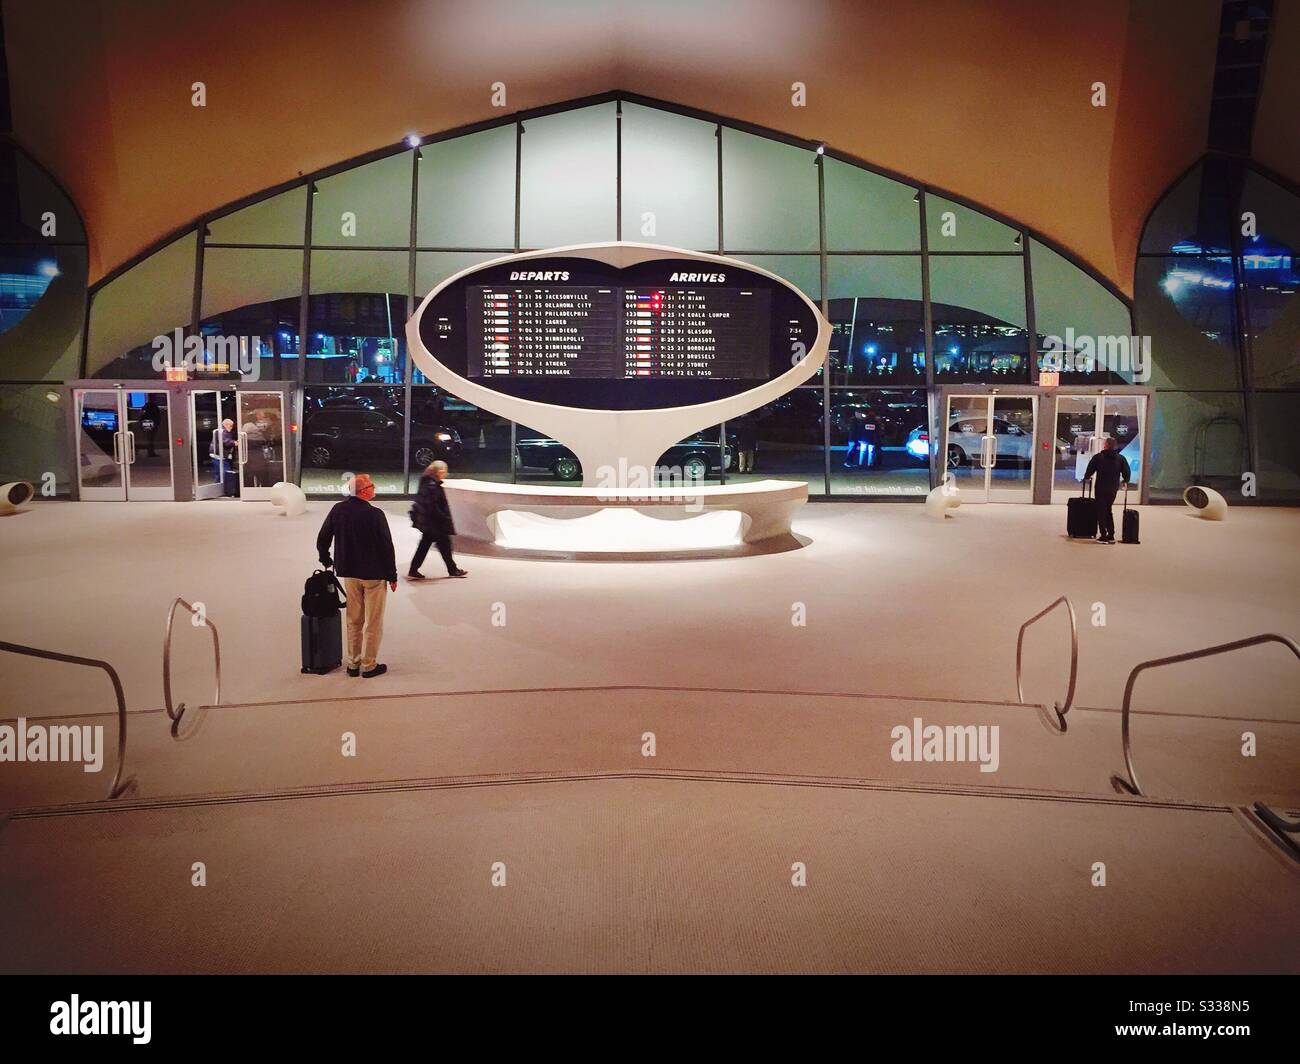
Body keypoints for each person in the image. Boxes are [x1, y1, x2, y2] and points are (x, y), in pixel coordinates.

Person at [316, 473, 398, 677]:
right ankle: (369, 665)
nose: (374, 488)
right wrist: (392, 575)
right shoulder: (375, 514)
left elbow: (323, 537)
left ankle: (353, 664)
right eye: (372, 485)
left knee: (354, 620)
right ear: (363, 491)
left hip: (349, 573)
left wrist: (325, 558)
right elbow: (386, 547)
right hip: (373, 575)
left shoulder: (338, 510)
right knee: (373, 621)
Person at [408, 460, 467, 579]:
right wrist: (445, 517)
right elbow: (434, 506)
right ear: (440, 472)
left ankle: (414, 569)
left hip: (428, 522)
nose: (445, 474)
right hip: (435, 523)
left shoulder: (426, 481)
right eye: (445, 472)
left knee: (426, 545)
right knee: (444, 545)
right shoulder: (432, 486)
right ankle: (452, 570)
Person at [1083, 437, 1131, 544]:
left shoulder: (1098, 457)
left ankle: (1103, 535)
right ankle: (1111, 534)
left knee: (1101, 511)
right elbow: (1127, 472)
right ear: (1115, 446)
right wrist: (1125, 480)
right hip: (1113, 489)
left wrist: (1086, 477)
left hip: (1101, 487)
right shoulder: (1120, 458)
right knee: (1108, 510)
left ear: (1105, 445)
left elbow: (1090, 470)